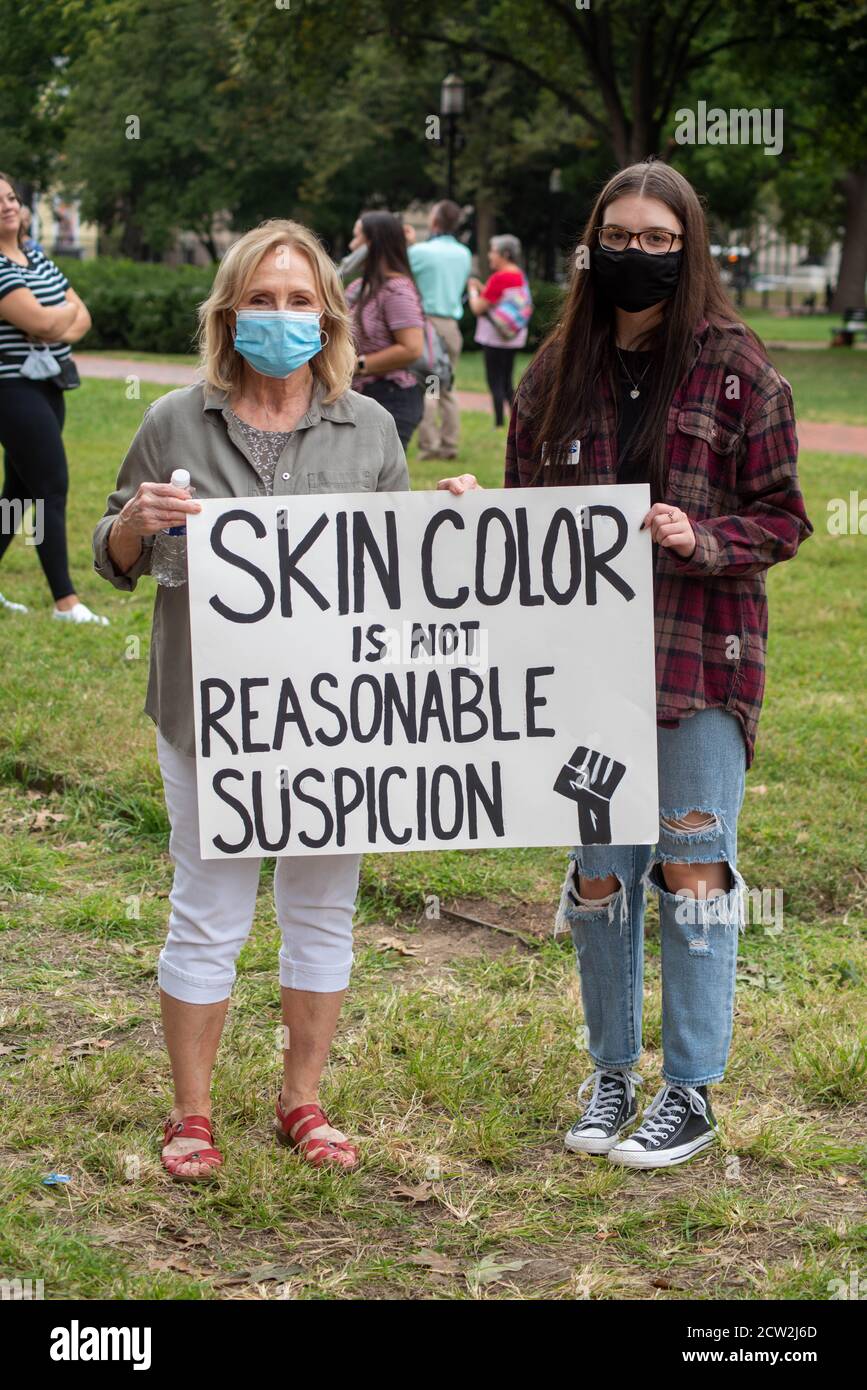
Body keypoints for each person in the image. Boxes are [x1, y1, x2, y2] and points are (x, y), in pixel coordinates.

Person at [438, 162, 812, 1169]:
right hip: (588, 679)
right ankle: (610, 1070)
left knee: (694, 870)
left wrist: (703, 537)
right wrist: (474, 523)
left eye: (659, 239)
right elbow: (528, 526)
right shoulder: (554, 372)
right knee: (601, 879)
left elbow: (785, 516)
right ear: (590, 244)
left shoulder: (741, 372)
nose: (636, 254)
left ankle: (689, 1089)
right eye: (621, 235)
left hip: (700, 664)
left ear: (688, 249)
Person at [93, 219, 409, 1180]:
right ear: (228, 314)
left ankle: (301, 1100)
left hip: (332, 718)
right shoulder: (175, 422)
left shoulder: (372, 427)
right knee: (209, 906)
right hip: (207, 713)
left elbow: (404, 574)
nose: (280, 315)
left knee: (322, 905)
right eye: (260, 299)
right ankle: (191, 1116)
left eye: (299, 298)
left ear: (328, 314)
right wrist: (134, 525)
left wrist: (456, 522)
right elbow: (114, 562)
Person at [0, 172, 105, 623]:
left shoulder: (34, 254)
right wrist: (56, 319)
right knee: (50, 489)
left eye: (10, 197)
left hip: (50, 386)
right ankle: (66, 601)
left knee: (17, 495)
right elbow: (46, 323)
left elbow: (81, 316)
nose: (8, 205)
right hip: (11, 390)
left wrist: (53, 319)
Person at [346, 211, 425, 451]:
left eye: (356, 238)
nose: (351, 245)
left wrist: (357, 365)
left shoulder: (396, 290)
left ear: (372, 243)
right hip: (362, 393)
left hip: (392, 397)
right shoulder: (360, 286)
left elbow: (412, 348)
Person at [407, 200, 471, 460]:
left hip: (428, 325)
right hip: (452, 327)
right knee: (448, 385)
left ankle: (430, 445)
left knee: (428, 386)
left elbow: (402, 274)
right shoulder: (464, 253)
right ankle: (450, 444)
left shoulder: (421, 251)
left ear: (434, 221)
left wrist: (409, 244)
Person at [467, 234, 530, 429]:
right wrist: (483, 288)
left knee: (494, 381)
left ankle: (499, 424)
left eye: (493, 251)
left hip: (495, 338)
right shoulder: (518, 274)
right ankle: (516, 422)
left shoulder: (500, 277)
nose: (489, 255)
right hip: (513, 337)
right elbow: (502, 302)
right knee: (508, 381)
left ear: (505, 254)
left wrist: (472, 291)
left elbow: (478, 308)